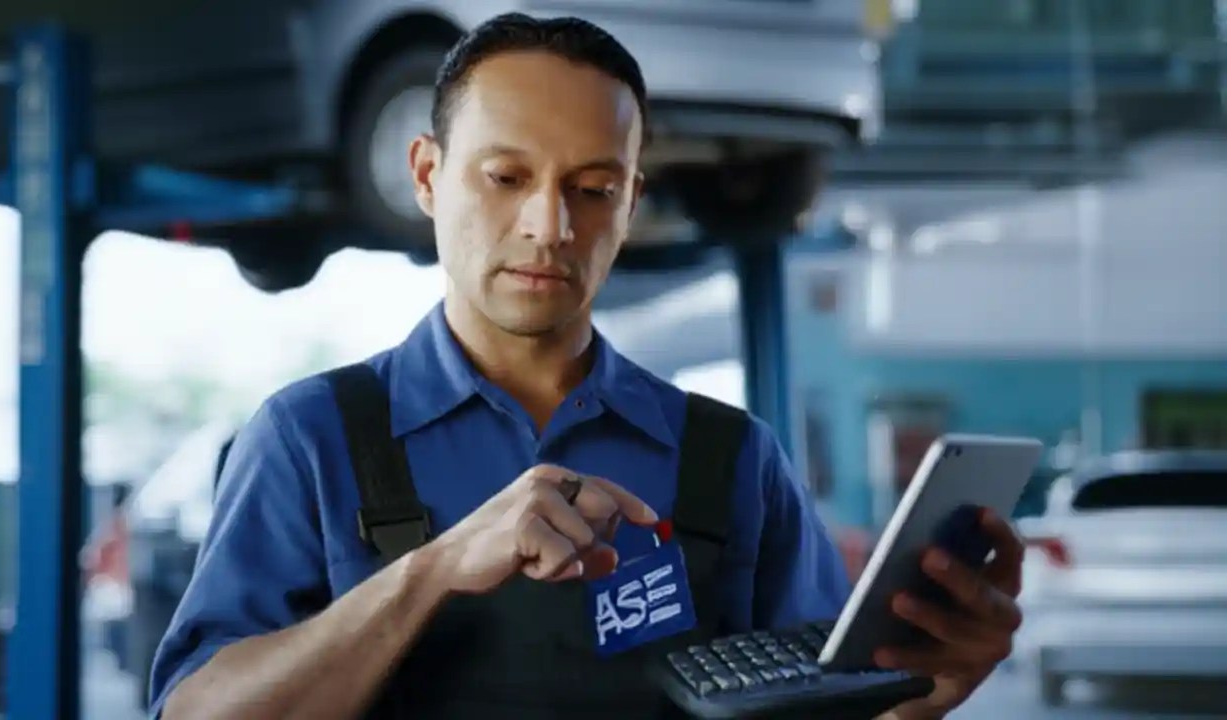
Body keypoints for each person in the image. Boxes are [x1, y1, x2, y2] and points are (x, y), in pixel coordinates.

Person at [151, 13, 1026, 720]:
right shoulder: (310, 438)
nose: (549, 225)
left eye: (593, 188)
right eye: (504, 176)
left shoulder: (731, 461)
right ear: (427, 175)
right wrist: (435, 569)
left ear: (632, 201)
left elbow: (829, 710)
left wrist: (929, 692)